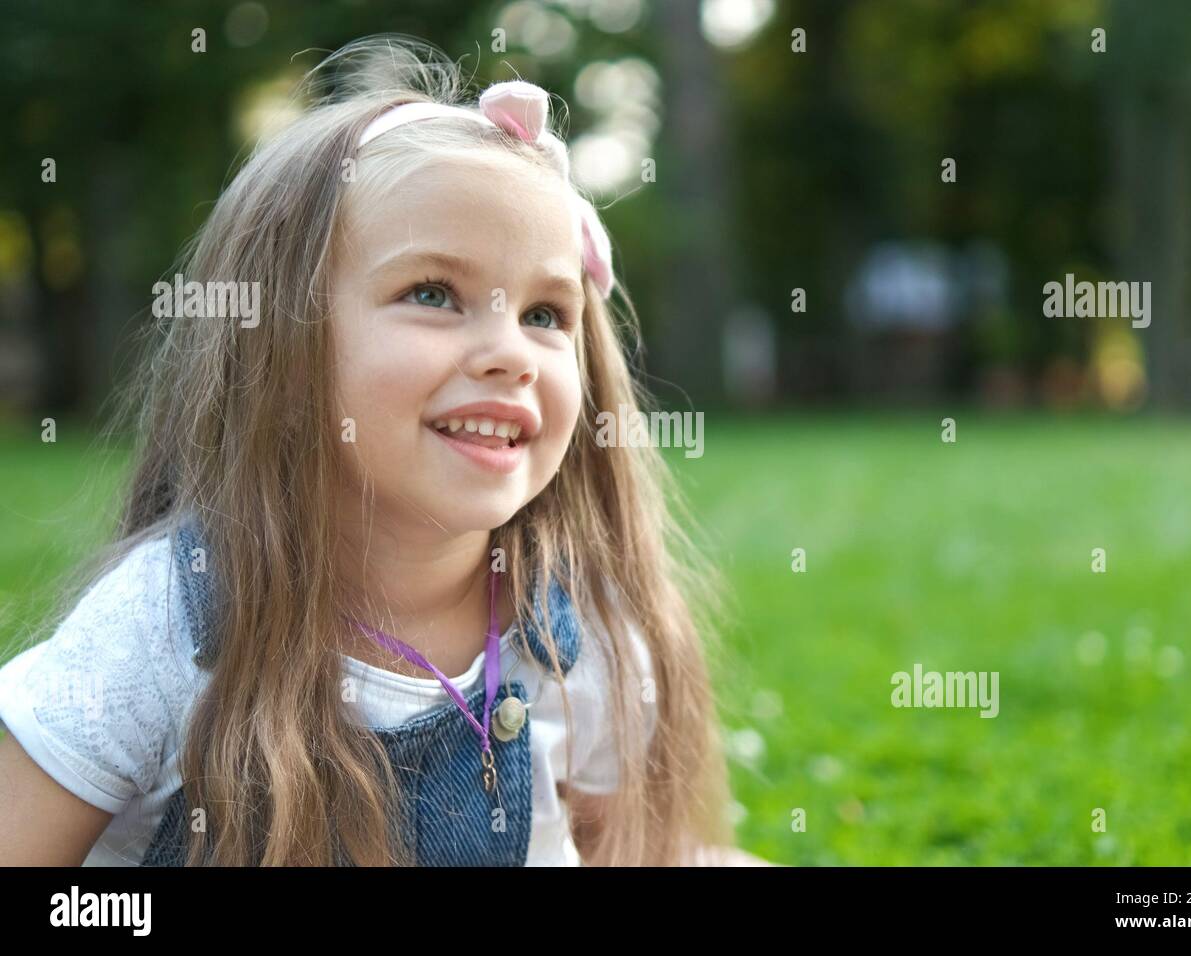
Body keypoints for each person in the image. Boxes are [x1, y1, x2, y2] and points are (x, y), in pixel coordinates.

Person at [0, 36, 751, 867]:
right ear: (278, 352)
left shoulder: (579, 641)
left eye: (545, 314)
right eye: (432, 294)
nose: (509, 351)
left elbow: (631, 856)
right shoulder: (164, 630)